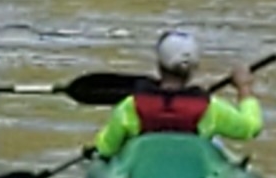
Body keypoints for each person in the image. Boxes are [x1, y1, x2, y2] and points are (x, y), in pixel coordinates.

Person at [88, 29, 262, 158]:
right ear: (194, 68)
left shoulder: (132, 106)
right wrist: (244, 88)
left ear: (159, 65)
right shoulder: (210, 108)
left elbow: (106, 149)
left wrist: (94, 149)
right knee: (215, 144)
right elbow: (250, 127)